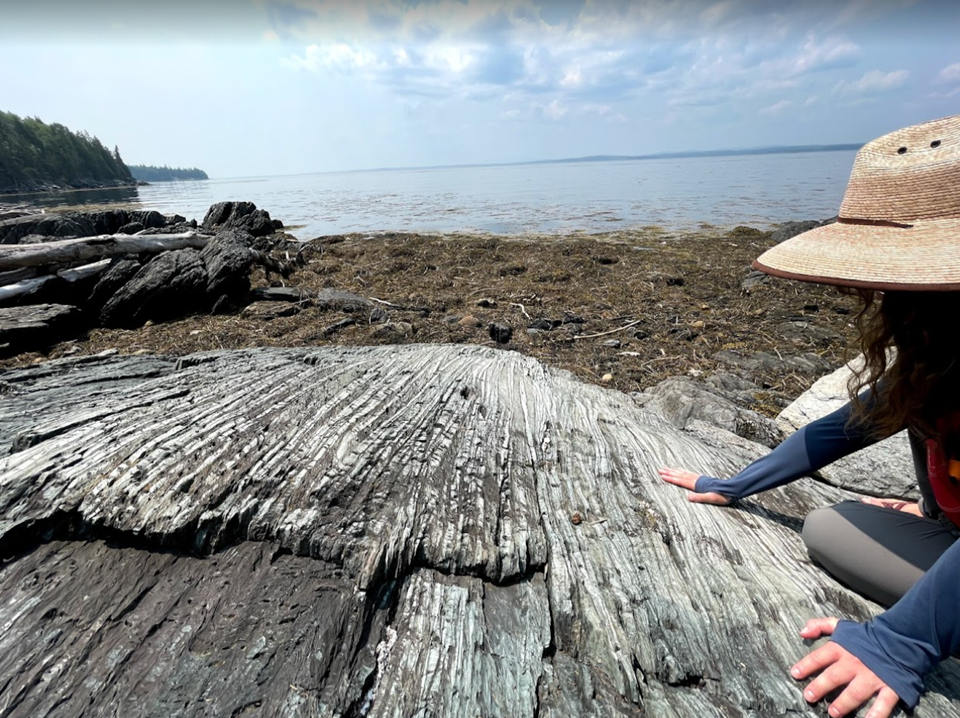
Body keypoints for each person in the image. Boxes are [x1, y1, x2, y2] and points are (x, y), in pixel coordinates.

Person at [660, 113, 960, 718]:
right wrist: (734, 484)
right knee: (841, 517)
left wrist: (901, 641)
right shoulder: (936, 361)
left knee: (828, 528)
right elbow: (842, 428)